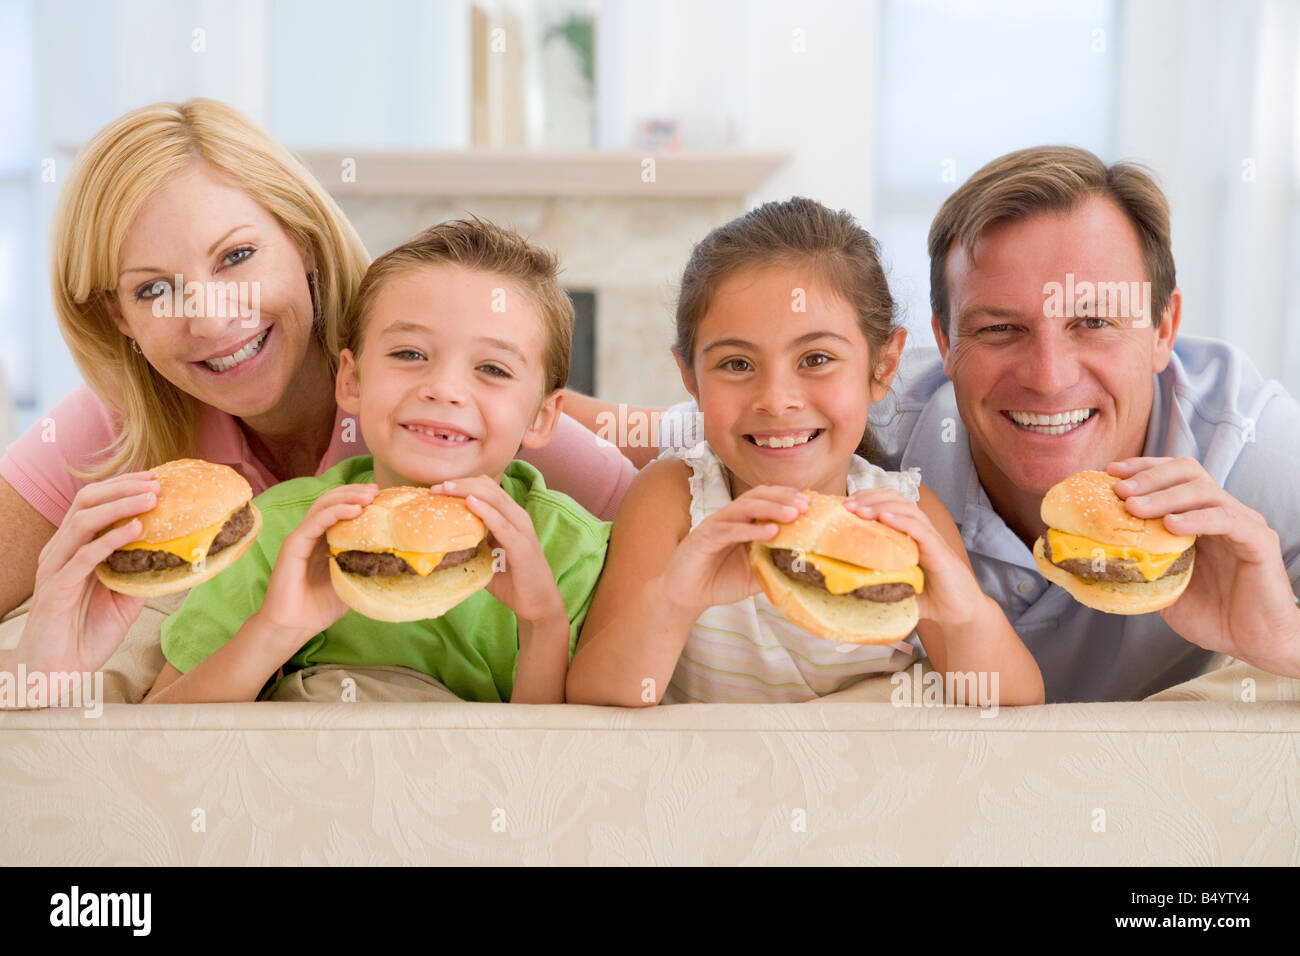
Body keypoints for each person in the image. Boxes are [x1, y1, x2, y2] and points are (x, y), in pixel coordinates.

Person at [609, 148, 1300, 702]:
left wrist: (1282, 639)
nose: (1049, 375)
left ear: (1164, 329)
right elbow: (634, 433)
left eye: (1092, 322)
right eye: (1000, 328)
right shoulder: (839, 415)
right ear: (942, 344)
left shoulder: (1252, 451)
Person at [0, 99, 632, 698]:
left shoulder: (475, 432)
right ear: (118, 317)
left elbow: (646, 490)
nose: (212, 320)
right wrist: (37, 676)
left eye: (237, 256)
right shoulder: (121, 417)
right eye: (153, 290)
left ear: (302, 240)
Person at [565, 198, 1043, 707]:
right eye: (736, 364)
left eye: (815, 358)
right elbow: (595, 701)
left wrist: (964, 612)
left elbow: (1013, 702)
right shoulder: (673, 501)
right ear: (691, 379)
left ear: (882, 366)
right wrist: (676, 599)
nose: (775, 400)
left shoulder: (907, 515)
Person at [144, 218, 609, 704]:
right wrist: (275, 630)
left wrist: (543, 625)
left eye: (492, 368)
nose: (443, 389)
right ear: (352, 381)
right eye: (409, 353)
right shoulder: (282, 534)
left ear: (542, 416)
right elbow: (156, 737)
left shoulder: (573, 555)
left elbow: (554, 769)